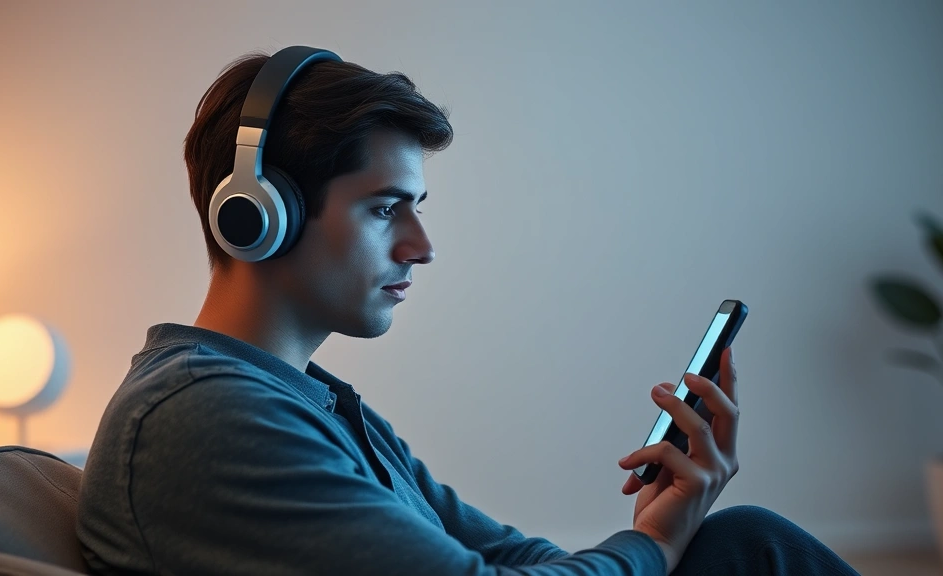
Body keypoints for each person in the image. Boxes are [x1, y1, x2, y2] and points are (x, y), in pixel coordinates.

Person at [76, 47, 860, 576]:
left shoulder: (308, 402)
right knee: (749, 549)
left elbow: (518, 557)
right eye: (387, 210)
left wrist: (662, 523)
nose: (422, 246)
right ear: (256, 214)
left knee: (735, 542)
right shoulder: (204, 417)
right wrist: (655, 541)